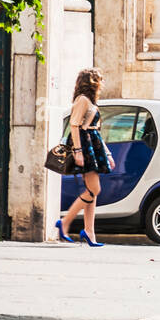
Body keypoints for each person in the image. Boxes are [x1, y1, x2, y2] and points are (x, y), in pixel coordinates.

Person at [55, 68, 114, 247]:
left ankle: (90, 232)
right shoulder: (82, 100)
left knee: (92, 191)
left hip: (92, 145)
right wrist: (78, 151)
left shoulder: (90, 101)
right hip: (85, 147)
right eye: (99, 80)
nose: (102, 84)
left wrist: (108, 153)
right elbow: (74, 125)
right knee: (94, 190)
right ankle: (65, 222)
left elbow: (95, 130)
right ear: (92, 82)